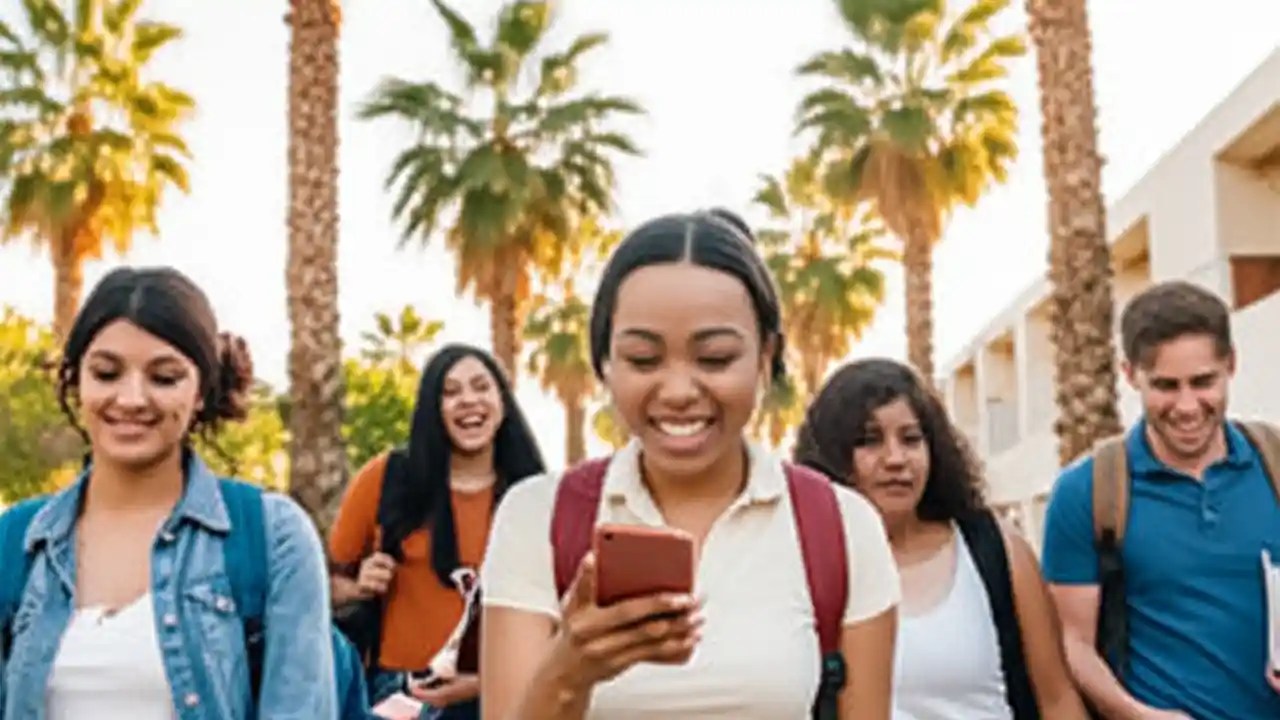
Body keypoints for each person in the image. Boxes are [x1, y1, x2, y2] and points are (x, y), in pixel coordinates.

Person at [478, 209, 901, 719]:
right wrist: (569, 671)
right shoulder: (536, 517)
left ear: (766, 356)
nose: (678, 391)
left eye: (715, 358)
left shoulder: (842, 526)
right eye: (643, 359)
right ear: (605, 362)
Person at [0, 266, 335, 719]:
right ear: (77, 379)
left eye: (164, 378)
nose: (131, 399)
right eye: (106, 373)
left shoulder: (272, 537)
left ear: (202, 391)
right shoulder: (16, 543)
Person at [793, 358, 1086, 720]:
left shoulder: (995, 550)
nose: (896, 459)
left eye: (911, 439)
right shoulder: (805, 567)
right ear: (830, 456)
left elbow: (1057, 700)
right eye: (869, 441)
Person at [1041, 280, 1280, 719]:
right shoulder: (1087, 492)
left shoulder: (1275, 464)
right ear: (1129, 374)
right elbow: (1070, 643)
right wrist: (1136, 714)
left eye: (1203, 382)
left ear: (1231, 364)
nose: (1187, 406)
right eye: (1166, 386)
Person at [328, 344, 545, 718]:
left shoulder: (534, 495)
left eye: (481, 387)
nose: (468, 400)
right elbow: (322, 585)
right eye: (451, 392)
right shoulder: (387, 477)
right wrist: (358, 585)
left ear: (503, 401)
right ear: (432, 408)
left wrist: (484, 682)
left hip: (505, 690)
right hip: (405, 692)